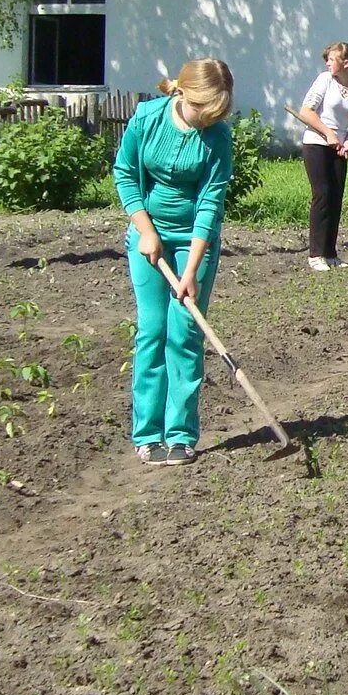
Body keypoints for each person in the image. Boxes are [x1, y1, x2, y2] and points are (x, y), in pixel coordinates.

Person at [113, 59, 237, 466]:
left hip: (194, 242)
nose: (211, 119)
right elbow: (125, 174)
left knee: (184, 332)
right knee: (152, 330)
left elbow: (210, 204)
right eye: (207, 110)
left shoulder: (218, 137)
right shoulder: (147, 118)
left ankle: (181, 433)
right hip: (147, 233)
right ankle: (147, 433)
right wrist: (146, 231)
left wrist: (190, 271)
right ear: (182, 94)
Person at [296, 42, 348, 271]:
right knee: (323, 194)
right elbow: (306, 112)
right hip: (316, 144)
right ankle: (315, 254)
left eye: (331, 59)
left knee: (336, 196)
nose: (327, 63)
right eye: (326, 59)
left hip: (339, 149)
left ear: (346, 63)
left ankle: (330, 253)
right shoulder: (324, 80)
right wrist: (328, 133)